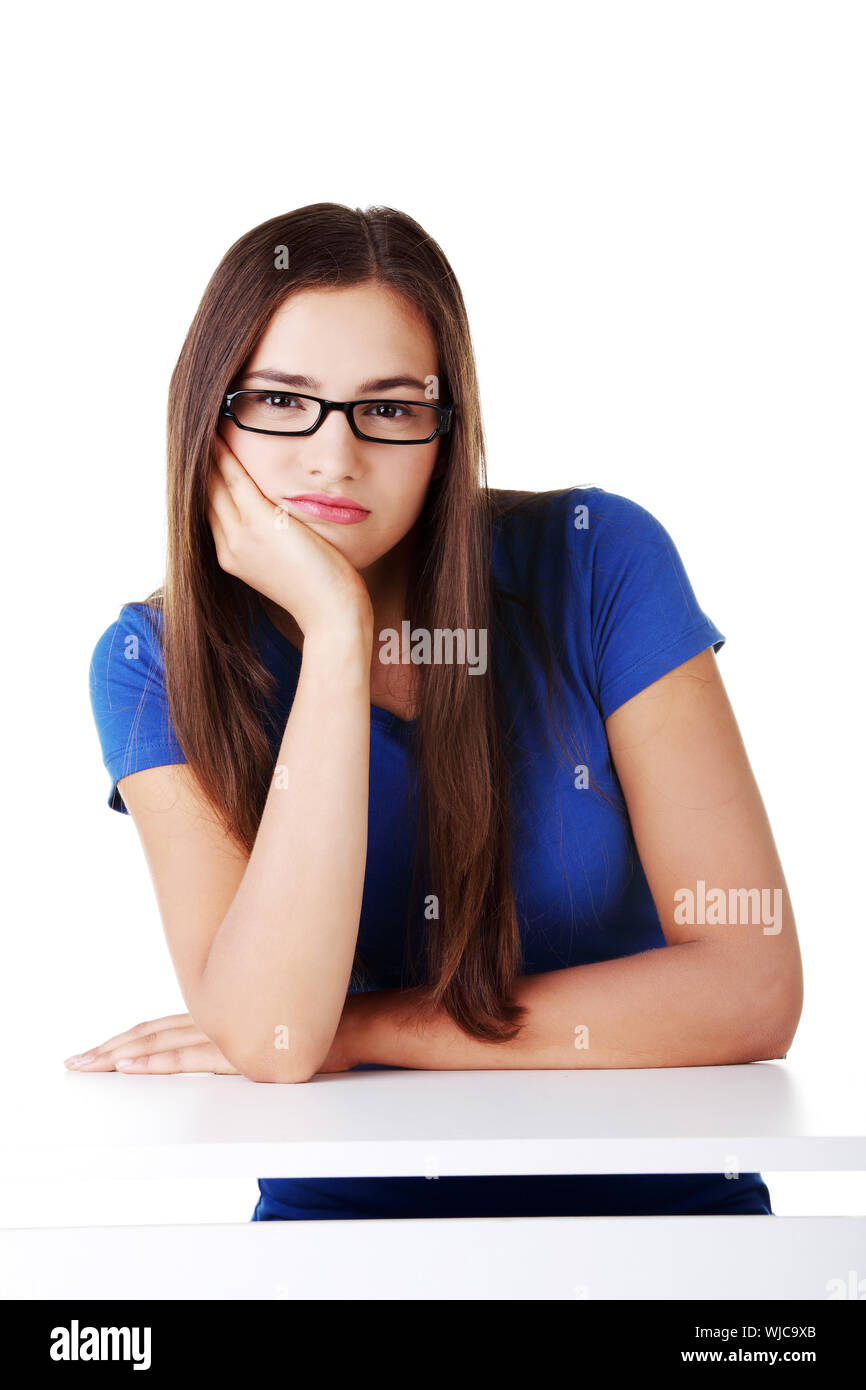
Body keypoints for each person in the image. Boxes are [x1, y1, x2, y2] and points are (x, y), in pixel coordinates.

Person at [75, 203, 802, 1220]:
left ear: (444, 425)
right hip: (351, 1239)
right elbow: (281, 1040)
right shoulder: (151, 661)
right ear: (208, 417)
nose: (333, 458)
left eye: (389, 407)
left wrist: (366, 1027)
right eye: (281, 401)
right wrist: (333, 631)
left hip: (663, 1219)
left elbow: (750, 987)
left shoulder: (599, 559)